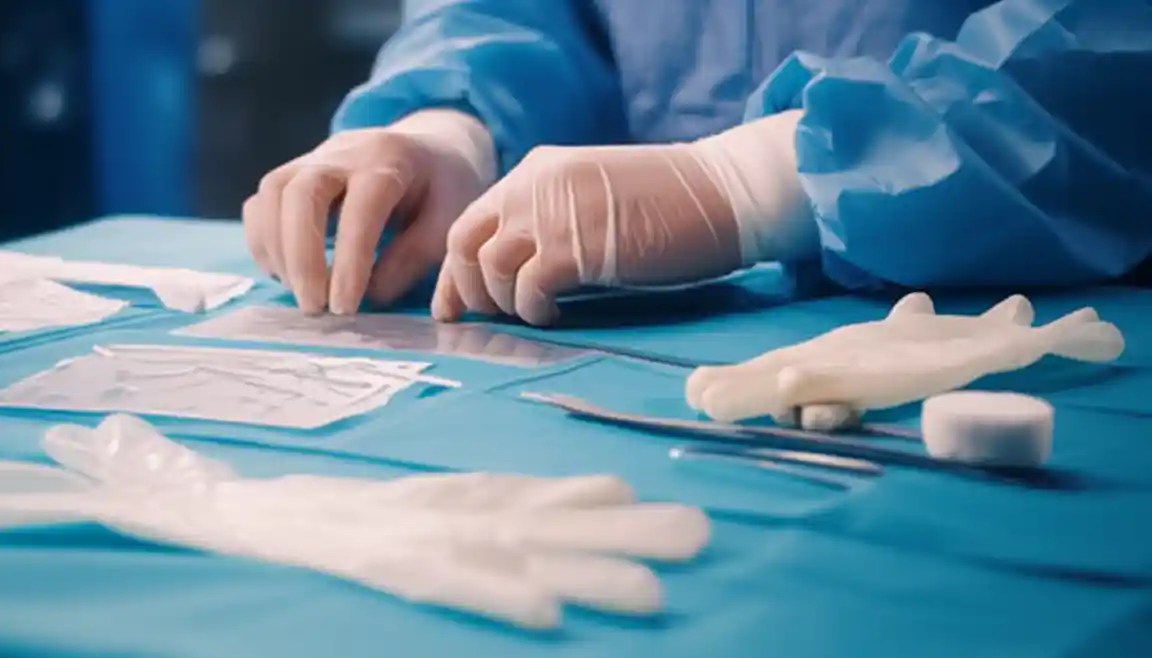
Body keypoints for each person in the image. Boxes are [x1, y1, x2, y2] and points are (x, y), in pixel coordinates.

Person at [242, 0, 1152, 327]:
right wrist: (451, 124)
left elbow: (1116, 53)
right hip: (649, 340)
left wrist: (756, 180)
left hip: (1041, 338)